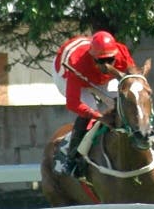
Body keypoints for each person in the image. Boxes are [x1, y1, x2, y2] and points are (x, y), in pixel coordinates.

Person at [52, 30, 136, 176]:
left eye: (110, 60)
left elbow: (134, 82)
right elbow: (73, 103)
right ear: (92, 57)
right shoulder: (77, 64)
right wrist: (99, 116)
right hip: (66, 73)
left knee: (124, 103)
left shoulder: (121, 53)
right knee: (89, 113)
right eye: (101, 61)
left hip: (96, 76)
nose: (106, 66)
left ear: (116, 55)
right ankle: (70, 159)